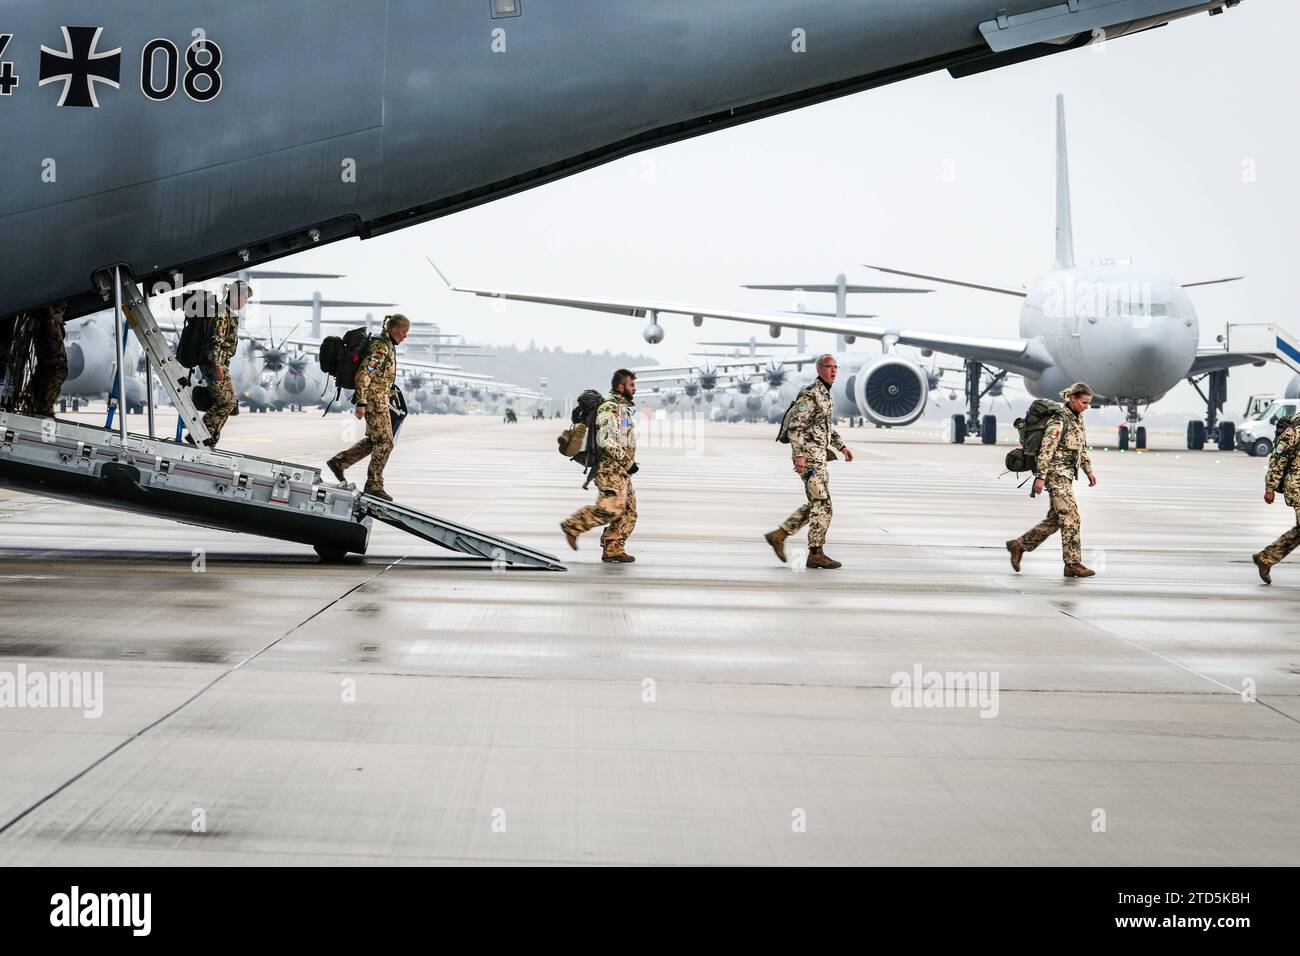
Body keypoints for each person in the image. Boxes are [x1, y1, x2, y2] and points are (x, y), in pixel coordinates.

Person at [765, 354, 854, 569]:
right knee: (823, 504)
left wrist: (842, 447)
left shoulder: (825, 395)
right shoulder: (810, 395)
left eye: (835, 367)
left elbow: (826, 428)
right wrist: (799, 457)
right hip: (810, 460)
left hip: (820, 458)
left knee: (816, 503)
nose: (833, 371)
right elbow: (797, 427)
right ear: (819, 369)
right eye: (828, 367)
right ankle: (816, 553)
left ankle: (780, 534)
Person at [1006, 382, 1098, 577]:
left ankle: (1019, 545)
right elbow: (1047, 449)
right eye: (1084, 402)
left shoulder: (1077, 419)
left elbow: (1081, 447)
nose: (1086, 407)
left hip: (1066, 475)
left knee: (1055, 519)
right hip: (1055, 475)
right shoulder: (1059, 420)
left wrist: (1088, 470)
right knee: (1071, 517)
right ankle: (1073, 564)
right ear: (1073, 398)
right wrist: (1040, 477)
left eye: (1089, 403)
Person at [327, 313, 410, 501]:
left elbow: (379, 376)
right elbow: (364, 374)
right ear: (395, 329)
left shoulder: (387, 345)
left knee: (375, 440)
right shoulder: (381, 347)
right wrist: (362, 402)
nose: (405, 336)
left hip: (380, 398)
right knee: (385, 442)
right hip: (373, 400)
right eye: (404, 332)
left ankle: (339, 462)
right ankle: (374, 485)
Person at [560, 369, 638, 562]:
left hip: (621, 471)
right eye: (632, 385)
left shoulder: (622, 408)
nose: (634, 389)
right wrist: (628, 462)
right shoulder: (609, 409)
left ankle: (613, 548)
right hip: (610, 470)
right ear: (621, 387)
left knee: (628, 512)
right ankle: (573, 525)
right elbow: (605, 440)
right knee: (609, 509)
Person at [1252, 409, 1300, 583]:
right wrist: (1270, 488)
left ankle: (1266, 559)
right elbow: (1278, 458)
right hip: (1298, 487)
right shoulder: (1295, 429)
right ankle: (1266, 559)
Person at [201, 281, 252, 445]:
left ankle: (210, 437)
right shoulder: (222, 313)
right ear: (236, 296)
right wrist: (217, 366)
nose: (245, 302)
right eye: (244, 298)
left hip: (220, 363)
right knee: (227, 402)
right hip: (216, 364)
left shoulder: (227, 312)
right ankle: (203, 434)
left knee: (230, 404)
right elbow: (216, 340)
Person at [28, 302, 69, 417]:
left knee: (55, 370)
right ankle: (43, 406)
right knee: (57, 370)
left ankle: (42, 405)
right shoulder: (50, 323)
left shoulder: (51, 323)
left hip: (51, 359)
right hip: (52, 359)